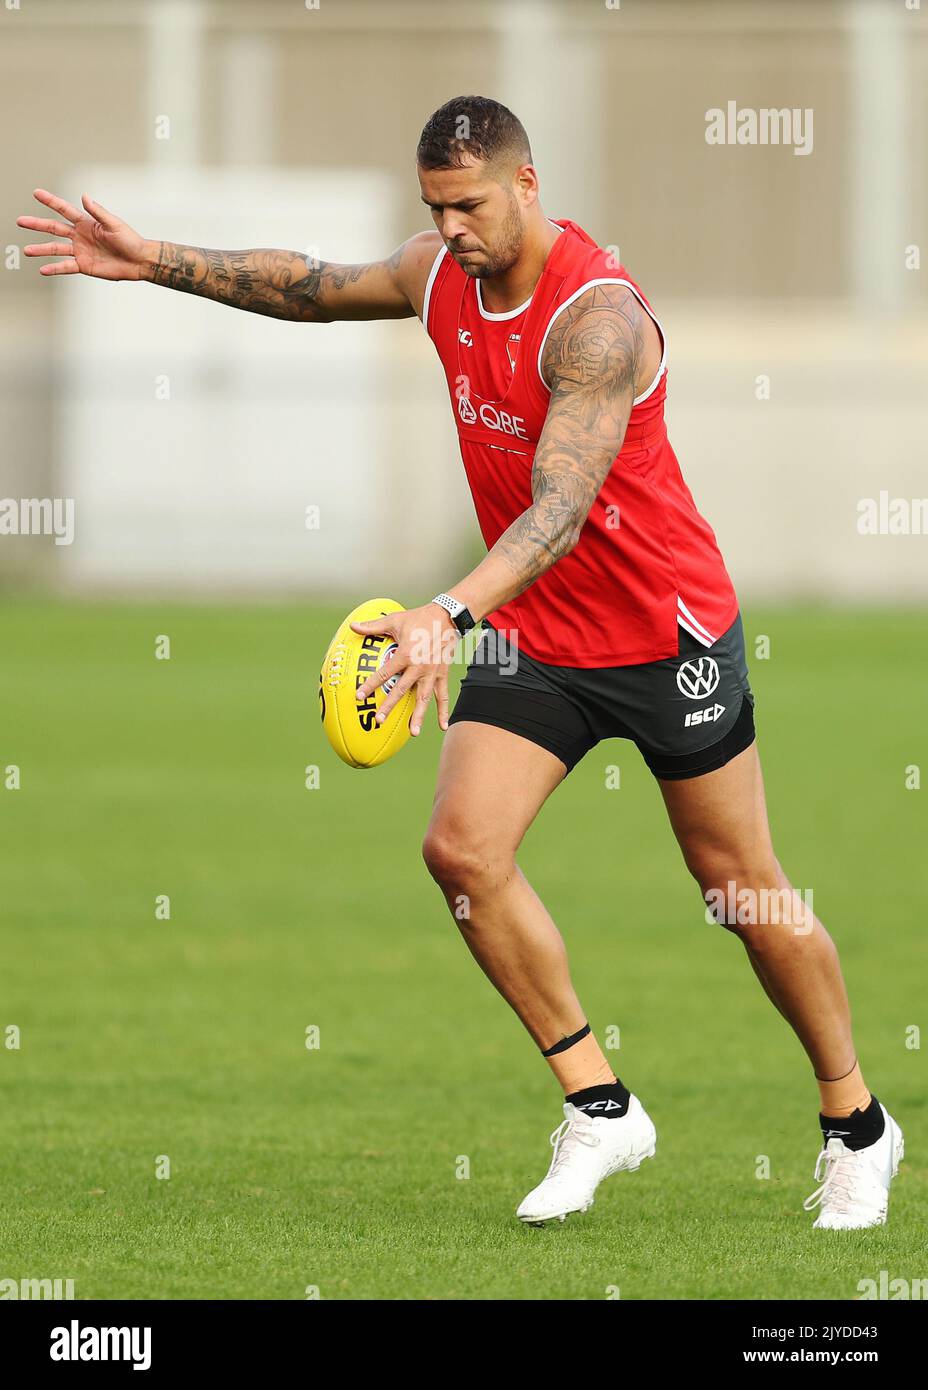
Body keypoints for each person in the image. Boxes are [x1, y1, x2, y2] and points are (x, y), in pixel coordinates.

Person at [19, 94, 903, 1231]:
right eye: (434, 207)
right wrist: (157, 263)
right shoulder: (440, 274)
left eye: (471, 205)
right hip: (537, 630)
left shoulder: (596, 321)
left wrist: (445, 610)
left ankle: (856, 1125)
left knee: (736, 885)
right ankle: (599, 1103)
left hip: (662, 631)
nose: (450, 230)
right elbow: (313, 286)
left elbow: (562, 508)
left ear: (528, 187)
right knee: (460, 850)